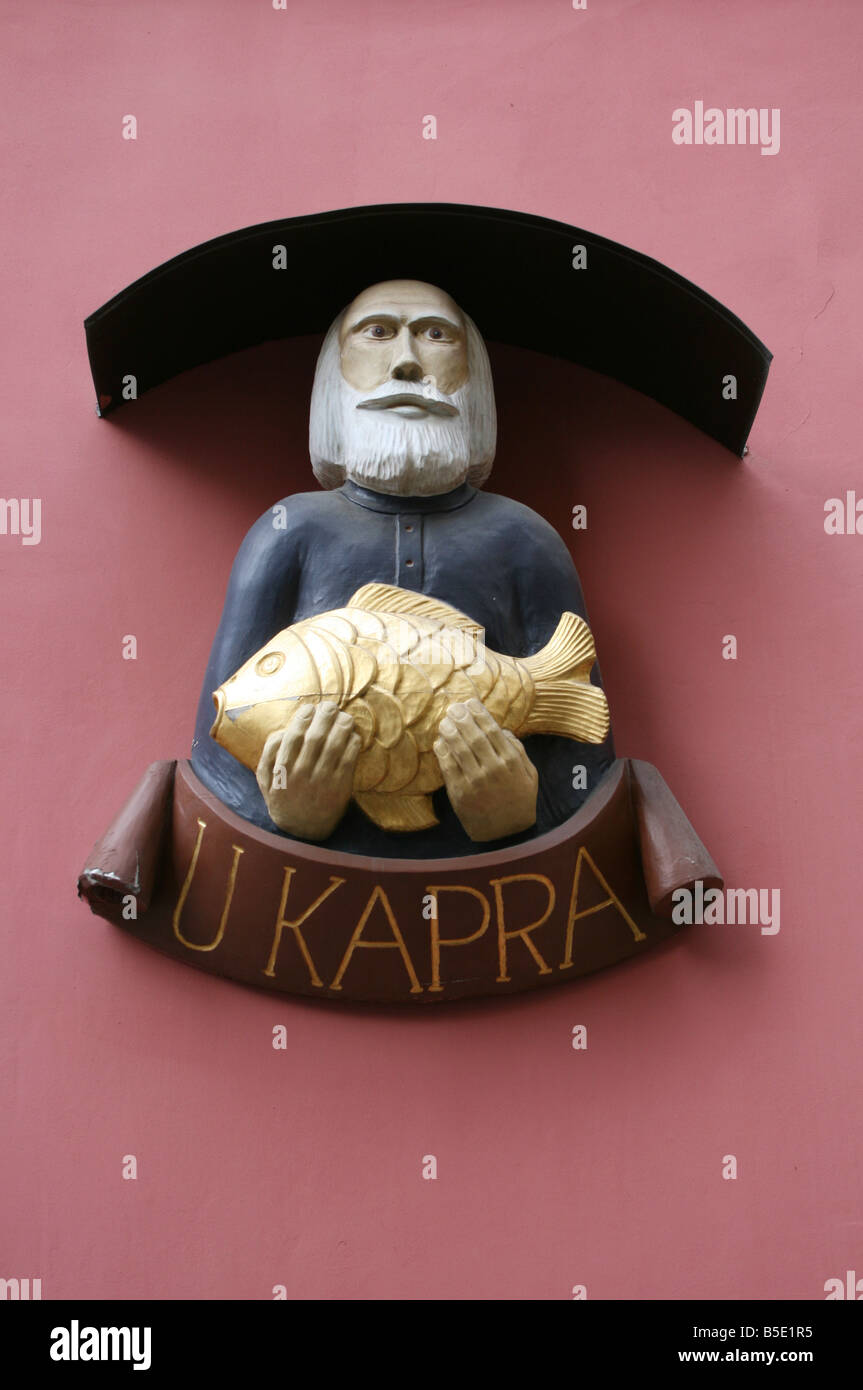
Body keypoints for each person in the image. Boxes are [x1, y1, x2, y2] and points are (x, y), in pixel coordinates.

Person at [190, 280, 614, 857]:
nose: (408, 362)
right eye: (378, 332)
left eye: (436, 336)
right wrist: (291, 811)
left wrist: (517, 811)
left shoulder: (525, 538)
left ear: (475, 381)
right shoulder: (288, 530)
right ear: (333, 378)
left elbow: (586, 766)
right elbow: (216, 756)